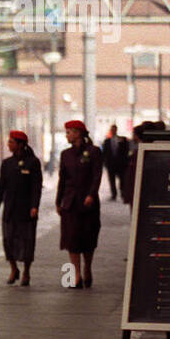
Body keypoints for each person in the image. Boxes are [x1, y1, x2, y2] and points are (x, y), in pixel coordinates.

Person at [0, 130, 42, 286]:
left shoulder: (33, 163)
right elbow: (1, 187)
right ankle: (13, 269)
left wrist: (34, 206)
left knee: (27, 242)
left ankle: (26, 272)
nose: (8, 144)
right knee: (8, 241)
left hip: (26, 210)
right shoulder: (7, 164)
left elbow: (36, 187)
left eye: (11, 142)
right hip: (10, 210)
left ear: (20, 144)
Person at [57, 119, 103, 288]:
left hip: (88, 203)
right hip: (70, 203)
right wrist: (58, 201)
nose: (66, 135)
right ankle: (75, 275)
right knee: (71, 239)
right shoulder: (65, 155)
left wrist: (91, 194)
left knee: (88, 237)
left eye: (69, 132)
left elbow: (97, 176)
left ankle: (87, 268)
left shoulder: (94, 151)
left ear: (77, 133)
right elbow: (62, 179)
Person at [101, 124, 129, 201]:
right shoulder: (107, 141)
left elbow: (126, 151)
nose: (113, 131)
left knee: (122, 180)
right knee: (111, 180)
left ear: (116, 130)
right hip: (111, 164)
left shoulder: (122, 139)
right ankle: (114, 194)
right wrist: (105, 163)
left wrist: (125, 162)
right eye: (112, 129)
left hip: (121, 164)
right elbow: (104, 153)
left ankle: (123, 194)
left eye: (114, 129)